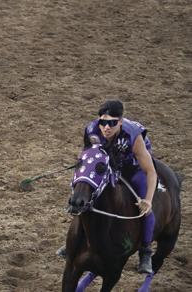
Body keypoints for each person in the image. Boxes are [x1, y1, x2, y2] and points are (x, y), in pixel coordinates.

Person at [57, 100, 157, 275]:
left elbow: (151, 172)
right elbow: (89, 155)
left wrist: (148, 200)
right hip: (108, 163)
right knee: (87, 193)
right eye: (103, 122)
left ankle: (146, 251)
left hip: (133, 167)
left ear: (120, 121)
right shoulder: (92, 130)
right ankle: (75, 242)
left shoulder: (133, 136)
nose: (107, 127)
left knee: (145, 208)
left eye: (112, 123)